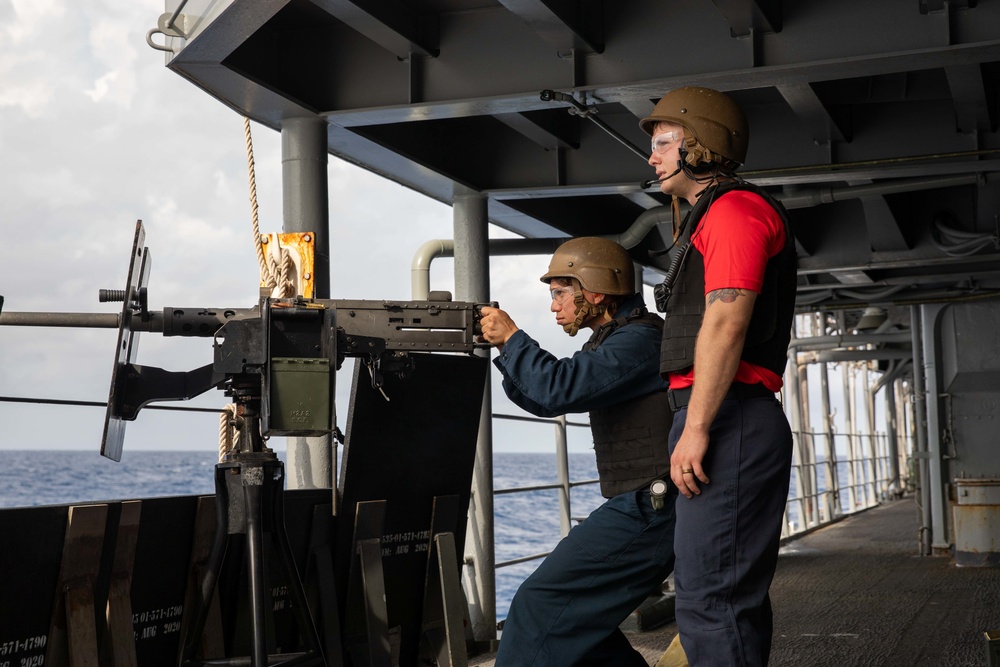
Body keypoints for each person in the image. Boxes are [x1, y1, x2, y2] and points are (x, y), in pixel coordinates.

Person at [640, 87, 797, 666]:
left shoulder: (732, 211)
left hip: (728, 418)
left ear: (701, 147)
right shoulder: (716, 214)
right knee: (724, 598)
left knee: (712, 601)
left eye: (664, 144)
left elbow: (728, 322)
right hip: (724, 415)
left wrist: (697, 427)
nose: (652, 158)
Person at [478, 236, 676, 667]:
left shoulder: (639, 342)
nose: (554, 306)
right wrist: (504, 350)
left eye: (560, 292)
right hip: (646, 503)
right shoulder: (615, 341)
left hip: (653, 507)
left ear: (595, 290)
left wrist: (513, 339)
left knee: (537, 605)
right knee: (577, 623)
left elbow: (558, 386)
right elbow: (546, 399)